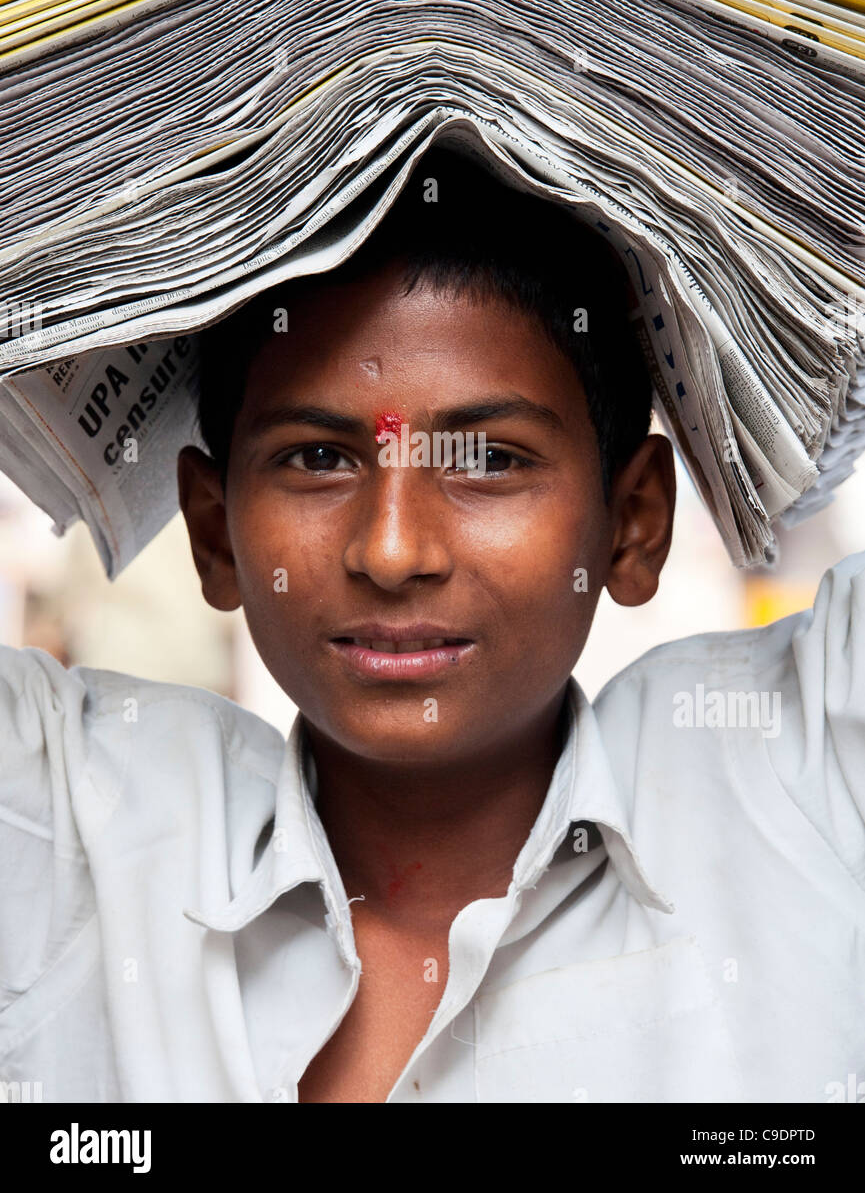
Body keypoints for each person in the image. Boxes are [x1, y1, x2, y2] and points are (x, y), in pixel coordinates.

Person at [0, 148, 862, 1104]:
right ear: (215, 534)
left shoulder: (809, 774)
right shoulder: (66, 833)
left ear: (633, 523)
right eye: (319, 457)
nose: (394, 549)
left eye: (488, 460)